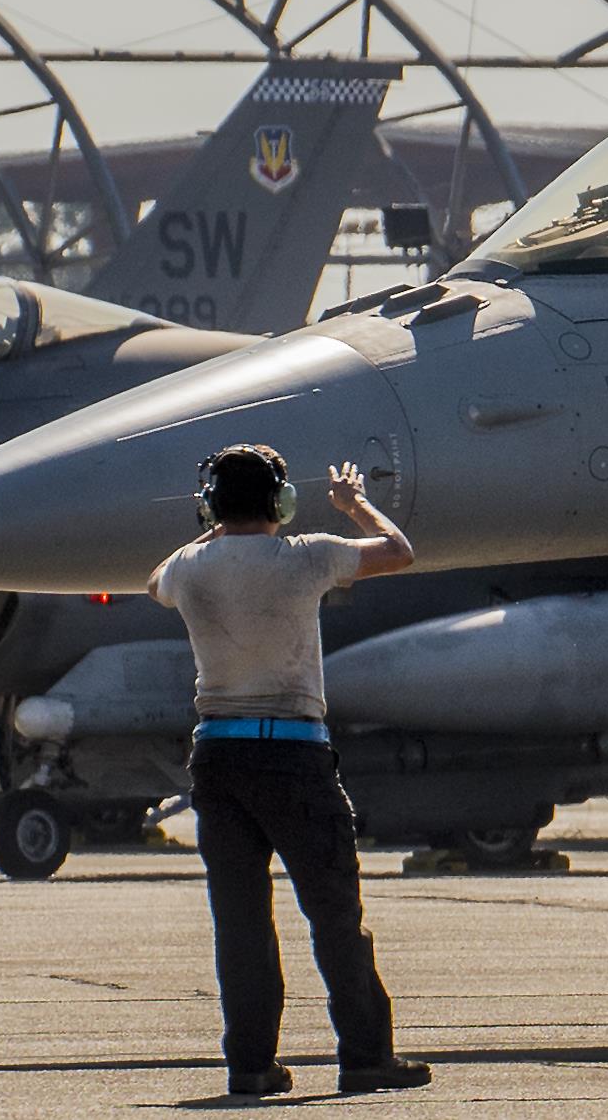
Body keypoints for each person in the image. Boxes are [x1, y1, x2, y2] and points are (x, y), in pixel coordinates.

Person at [150, 443, 434, 1100]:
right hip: (293, 756)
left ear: (209, 506)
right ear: (281, 503)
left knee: (242, 922)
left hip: (217, 759)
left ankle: (251, 1065)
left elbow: (153, 581)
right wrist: (354, 503)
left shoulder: (190, 568)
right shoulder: (308, 555)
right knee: (334, 911)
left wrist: (211, 528)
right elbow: (399, 551)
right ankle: (365, 1057)